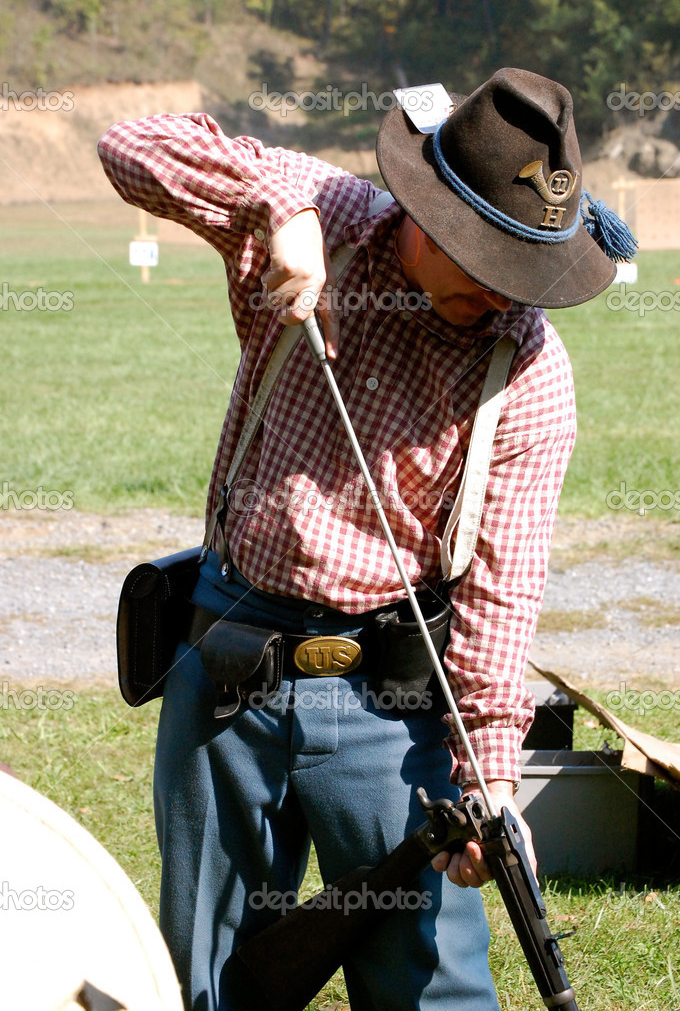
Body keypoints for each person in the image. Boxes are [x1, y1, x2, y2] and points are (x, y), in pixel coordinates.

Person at [98, 68, 633, 1011]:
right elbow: (130, 146)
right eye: (488, 257)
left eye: (525, 266)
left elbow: (502, 595)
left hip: (390, 703)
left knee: (432, 989)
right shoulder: (330, 213)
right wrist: (274, 209)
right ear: (427, 213)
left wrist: (492, 780)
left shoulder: (532, 372)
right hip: (223, 663)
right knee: (207, 984)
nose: (507, 293)